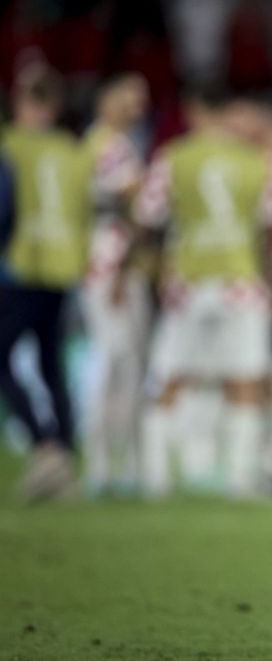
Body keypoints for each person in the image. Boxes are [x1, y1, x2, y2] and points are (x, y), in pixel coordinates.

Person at [135, 82, 272, 498]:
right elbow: (269, 225)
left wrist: (156, 266)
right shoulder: (255, 161)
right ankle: (240, 478)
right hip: (241, 281)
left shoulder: (173, 157)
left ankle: (154, 478)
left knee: (170, 375)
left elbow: (148, 217)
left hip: (187, 281)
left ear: (193, 111)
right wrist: (269, 277)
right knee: (246, 377)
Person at [0, 63, 92, 501]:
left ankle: (45, 446)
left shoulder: (10, 145)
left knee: (3, 356)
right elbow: (84, 210)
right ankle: (64, 457)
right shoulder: (71, 150)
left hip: (20, 264)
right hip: (62, 266)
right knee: (52, 363)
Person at [80, 72, 152, 496]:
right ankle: (102, 464)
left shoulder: (107, 144)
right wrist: (123, 271)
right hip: (111, 267)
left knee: (123, 365)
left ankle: (116, 462)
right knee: (112, 362)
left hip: (115, 265)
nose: (137, 107)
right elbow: (134, 212)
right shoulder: (109, 146)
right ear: (105, 101)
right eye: (129, 99)